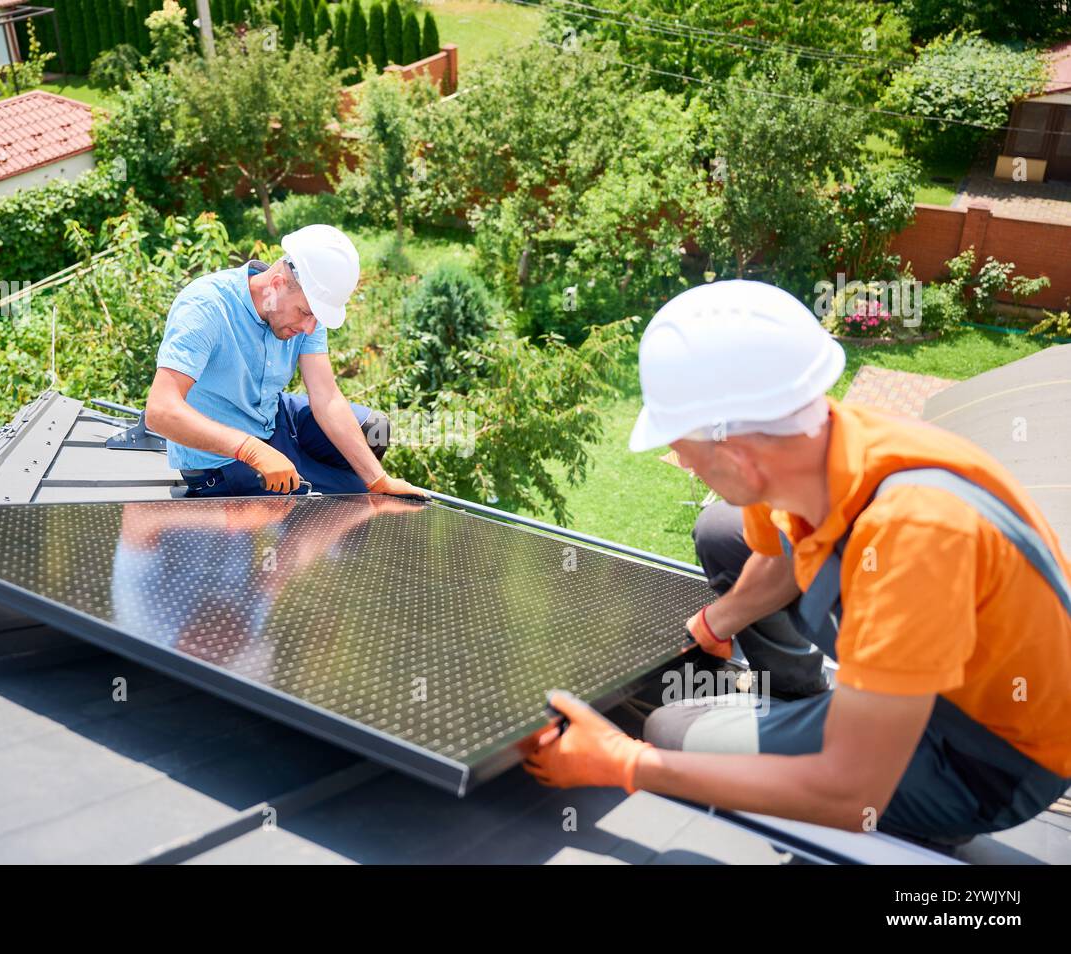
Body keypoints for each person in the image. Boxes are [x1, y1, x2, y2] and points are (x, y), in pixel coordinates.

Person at [524, 279, 1071, 841]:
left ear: (737, 456)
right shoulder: (824, 444)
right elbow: (776, 558)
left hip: (984, 758)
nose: (679, 461)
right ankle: (809, 701)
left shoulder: (915, 535)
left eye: (681, 446)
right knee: (723, 531)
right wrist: (716, 623)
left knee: (667, 730)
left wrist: (621, 762)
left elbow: (849, 793)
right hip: (929, 675)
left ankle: (926, 808)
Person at [145, 223, 425, 500]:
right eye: (305, 313)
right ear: (276, 285)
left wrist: (378, 479)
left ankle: (324, 478)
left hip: (273, 418)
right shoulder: (205, 307)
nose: (309, 328)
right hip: (221, 461)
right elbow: (160, 411)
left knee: (373, 433)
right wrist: (249, 449)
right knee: (350, 501)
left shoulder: (306, 310)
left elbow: (326, 396)